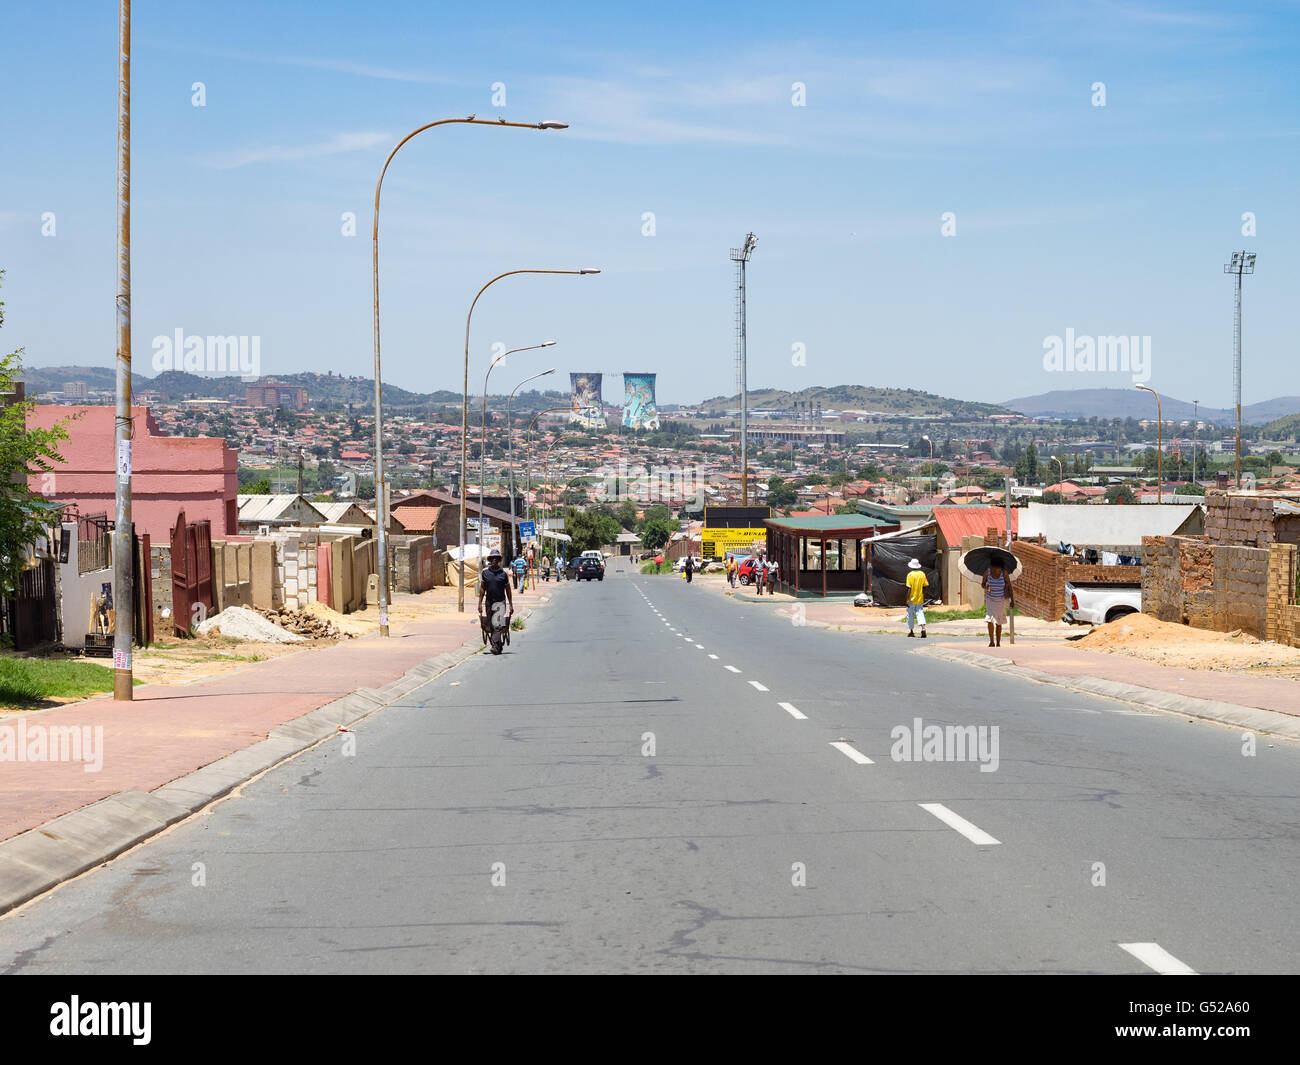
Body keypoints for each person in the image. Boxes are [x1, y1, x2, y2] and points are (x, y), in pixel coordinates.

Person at [477, 547, 513, 642]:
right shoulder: (485, 573)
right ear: (489, 560)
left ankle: (495, 645)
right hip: (489, 602)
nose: (494, 560)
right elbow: (482, 588)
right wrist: (480, 603)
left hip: (500, 602)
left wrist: (511, 604)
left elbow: (508, 590)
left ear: (499, 560)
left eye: (496, 558)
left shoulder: (503, 574)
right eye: (492, 558)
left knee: (497, 624)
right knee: (491, 624)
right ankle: (497, 645)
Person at [982, 558, 1014, 647]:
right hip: (990, 600)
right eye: (993, 568)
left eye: (998, 568)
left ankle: (998, 642)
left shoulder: (1004, 573)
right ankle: (992, 641)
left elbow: (1010, 587)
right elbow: (983, 584)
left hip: (1001, 600)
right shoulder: (987, 573)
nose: (995, 570)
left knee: (998, 621)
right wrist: (986, 586)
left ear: (1001, 567)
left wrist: (1012, 600)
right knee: (990, 619)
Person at [905, 557, 928, 638]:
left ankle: (911, 631)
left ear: (911, 566)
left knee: (910, 614)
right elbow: (925, 586)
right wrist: (923, 595)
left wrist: (907, 599)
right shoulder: (922, 574)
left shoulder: (910, 575)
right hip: (919, 598)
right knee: (920, 613)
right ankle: (923, 629)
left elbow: (909, 588)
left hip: (911, 599)